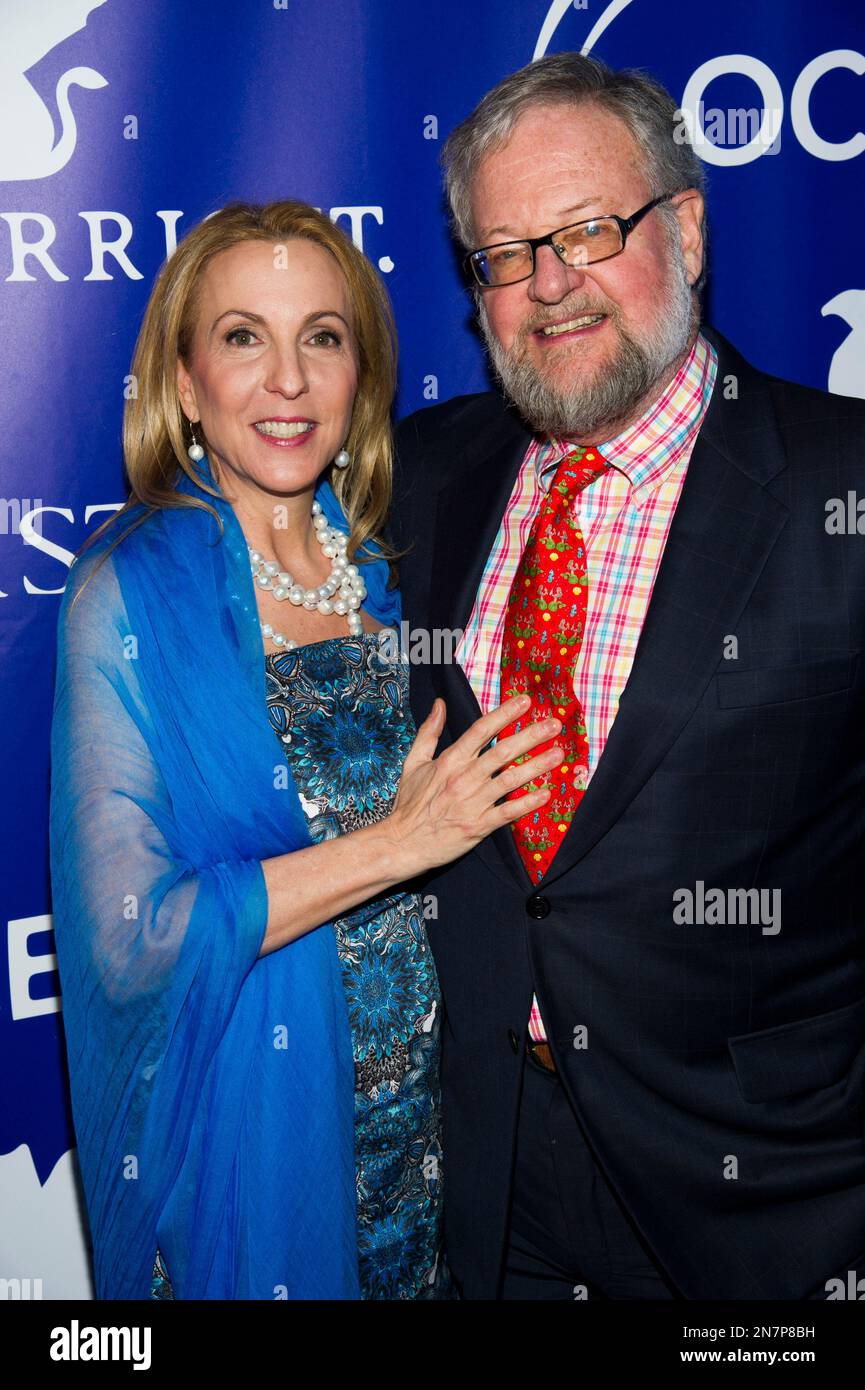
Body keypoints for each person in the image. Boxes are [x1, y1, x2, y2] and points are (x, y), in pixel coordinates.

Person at [392, 52, 865, 1301]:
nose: (549, 285)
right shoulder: (419, 474)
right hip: (489, 1186)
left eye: (590, 230)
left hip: (771, 1199)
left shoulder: (841, 485)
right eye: (504, 253)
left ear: (690, 231)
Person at [48, 199, 558, 1300]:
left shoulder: (402, 561)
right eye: (243, 337)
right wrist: (397, 844)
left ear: (362, 374)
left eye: (321, 337)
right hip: (262, 1141)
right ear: (183, 381)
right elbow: (134, 943)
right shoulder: (133, 594)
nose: (287, 380)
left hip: (447, 1143)